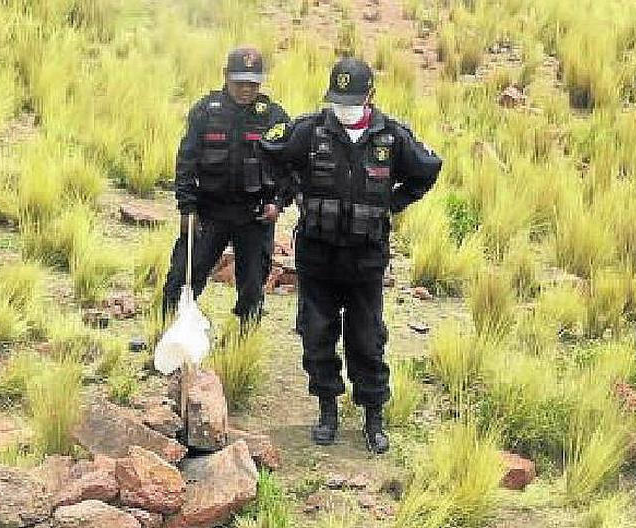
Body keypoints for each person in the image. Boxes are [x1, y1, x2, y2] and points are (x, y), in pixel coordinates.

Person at [259, 57, 442, 453]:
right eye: (339, 101)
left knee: (366, 338)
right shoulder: (310, 130)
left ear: (371, 96)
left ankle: (373, 417)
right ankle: (327, 409)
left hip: (366, 259)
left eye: (353, 100)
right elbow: (270, 150)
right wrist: (295, 189)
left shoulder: (392, 137)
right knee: (317, 333)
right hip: (317, 256)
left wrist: (395, 202)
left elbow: (428, 168)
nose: (345, 108)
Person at [162, 47, 289, 324]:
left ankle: (243, 348)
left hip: (254, 218)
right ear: (225, 77)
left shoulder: (274, 117)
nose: (246, 89)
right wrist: (187, 208)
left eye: (252, 83)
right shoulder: (206, 112)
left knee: (252, 290)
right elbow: (186, 162)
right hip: (209, 213)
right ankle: (168, 335)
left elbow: (288, 168)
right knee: (182, 279)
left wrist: (277, 204)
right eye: (239, 82)